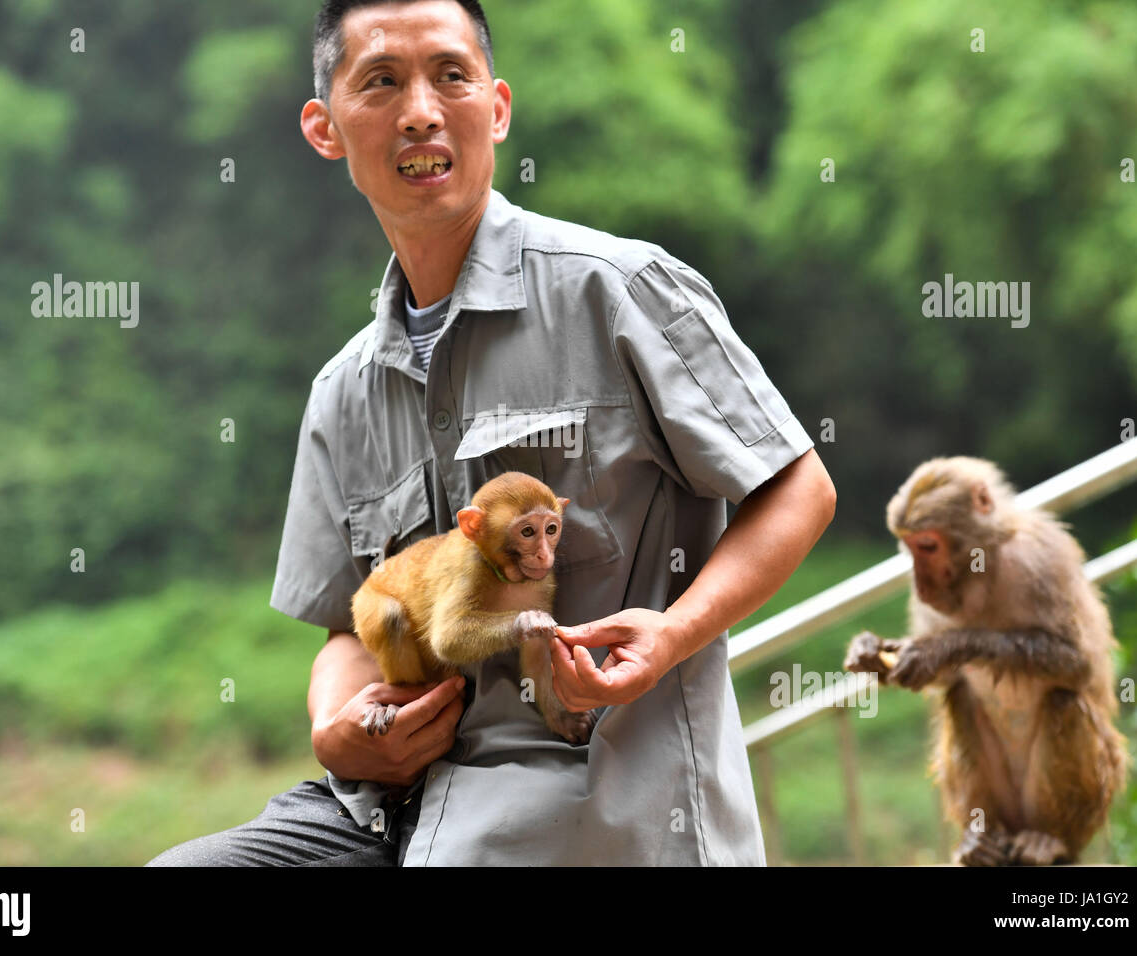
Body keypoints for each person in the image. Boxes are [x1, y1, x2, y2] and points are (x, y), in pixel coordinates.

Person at [147, 0, 836, 867]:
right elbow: (346, 629)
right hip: (387, 814)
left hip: (593, 806)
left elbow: (799, 488)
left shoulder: (620, 293)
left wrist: (671, 636)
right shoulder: (342, 394)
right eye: (382, 82)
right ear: (325, 128)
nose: (422, 110)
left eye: (452, 76)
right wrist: (337, 732)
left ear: (498, 108)